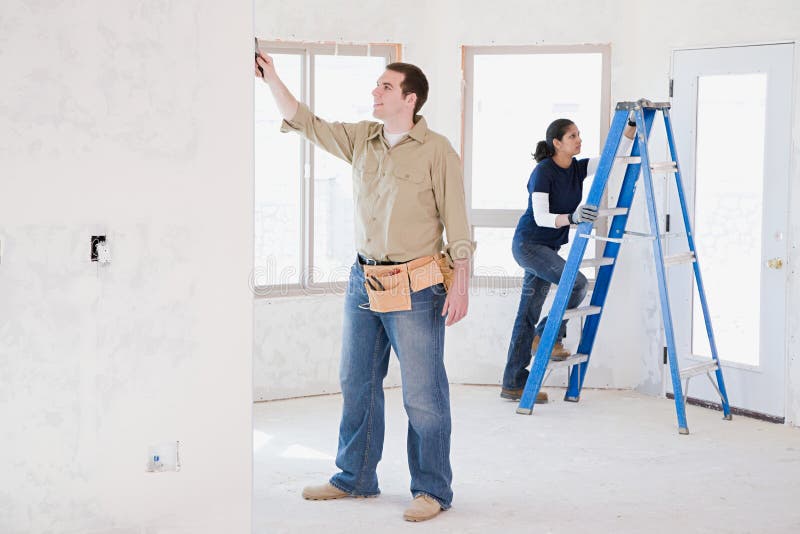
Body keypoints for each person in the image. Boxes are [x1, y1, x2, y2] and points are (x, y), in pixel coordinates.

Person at [255, 52, 474, 522]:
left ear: (410, 99)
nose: (375, 91)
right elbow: (305, 122)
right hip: (364, 280)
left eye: (386, 86)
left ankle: (432, 489)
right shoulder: (362, 139)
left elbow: (458, 223)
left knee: (423, 394)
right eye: (377, 84)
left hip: (416, 286)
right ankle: (355, 477)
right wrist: (271, 77)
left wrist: (461, 284)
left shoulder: (437, 151)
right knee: (356, 382)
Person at [500, 118, 635, 401]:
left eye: (578, 134)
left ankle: (513, 383)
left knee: (527, 313)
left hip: (548, 249)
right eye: (572, 136)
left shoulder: (577, 168)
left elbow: (612, 159)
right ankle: (547, 334)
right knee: (576, 283)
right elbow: (540, 217)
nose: (578, 139)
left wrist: (631, 125)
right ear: (557, 143)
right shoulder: (543, 172)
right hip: (528, 245)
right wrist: (572, 218)